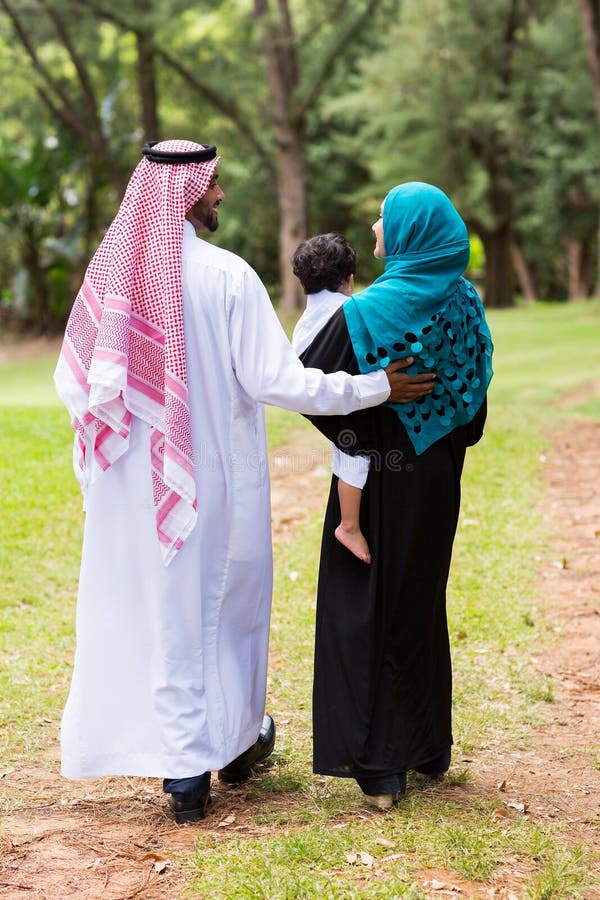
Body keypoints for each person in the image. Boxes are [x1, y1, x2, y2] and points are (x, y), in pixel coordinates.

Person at [53, 141, 434, 823]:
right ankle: (200, 767)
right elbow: (278, 382)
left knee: (163, 616)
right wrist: (377, 386)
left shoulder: (112, 275)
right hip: (207, 482)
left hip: (132, 486)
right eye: (214, 184)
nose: (221, 195)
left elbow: (78, 381)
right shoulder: (227, 277)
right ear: (188, 192)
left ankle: (203, 758)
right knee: (217, 614)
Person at [299, 182, 493, 811]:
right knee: (419, 599)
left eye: (383, 220)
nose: (375, 230)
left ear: (408, 233)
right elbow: (472, 409)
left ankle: (381, 765)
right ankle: (429, 745)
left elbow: (307, 385)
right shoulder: (465, 301)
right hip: (437, 480)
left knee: (365, 608)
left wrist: (369, 411)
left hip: (376, 478)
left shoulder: (366, 312)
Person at [292, 233, 374, 564]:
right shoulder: (351, 310)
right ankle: (349, 525)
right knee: (357, 445)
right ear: (349, 279)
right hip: (333, 383)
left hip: (309, 391)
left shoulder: (304, 320)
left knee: (348, 444)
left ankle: (349, 524)